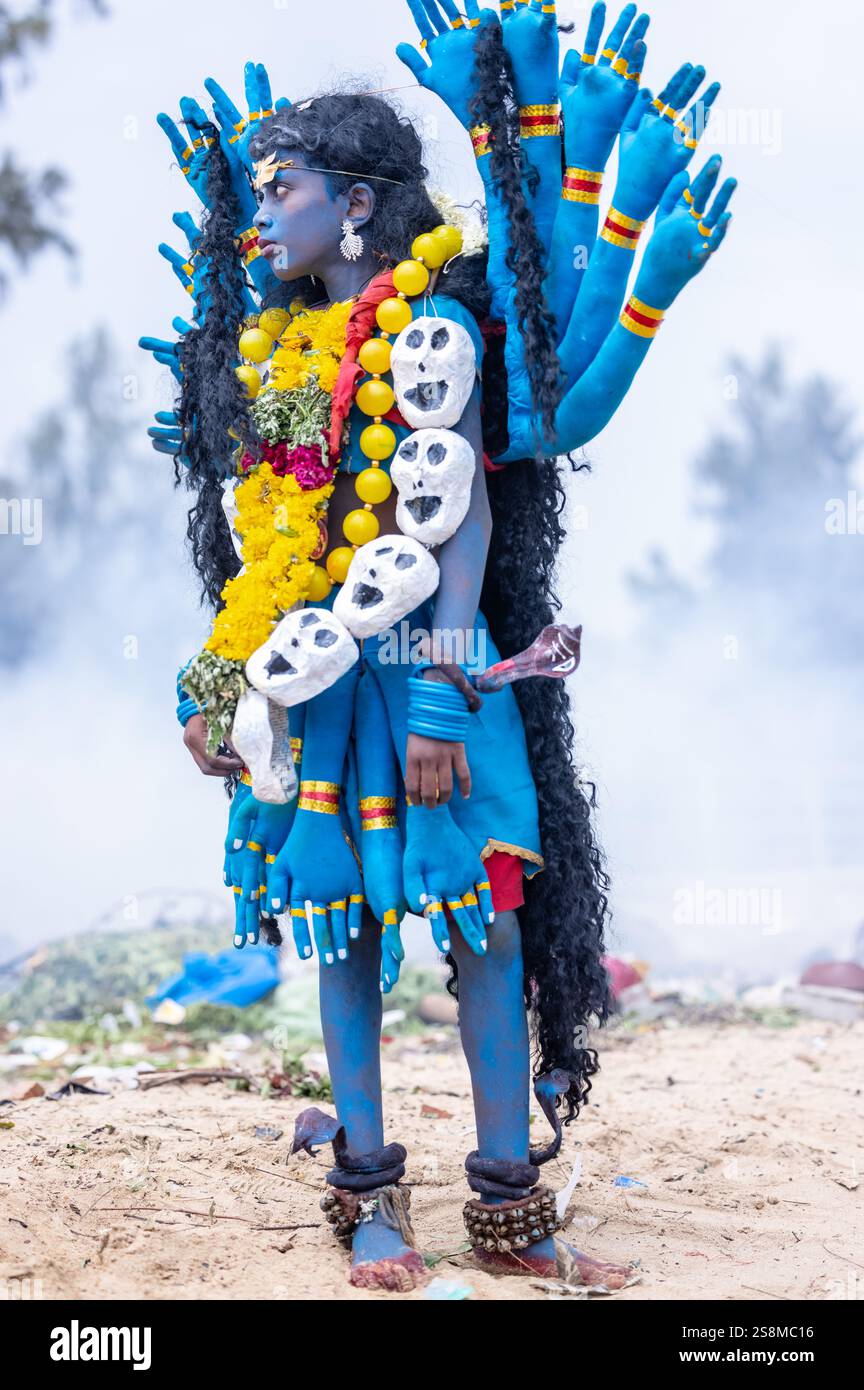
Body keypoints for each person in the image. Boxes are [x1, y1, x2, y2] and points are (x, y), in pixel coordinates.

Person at [141, 1, 736, 1292]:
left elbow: (453, 518)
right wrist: (220, 679)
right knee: (341, 930)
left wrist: (444, 708)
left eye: (280, 187)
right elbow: (265, 542)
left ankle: (512, 1209)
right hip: (315, 690)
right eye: (254, 190)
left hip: (428, 676)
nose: (261, 211)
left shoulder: (436, 330)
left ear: (355, 207)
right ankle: (367, 1199)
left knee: (490, 940)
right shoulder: (281, 348)